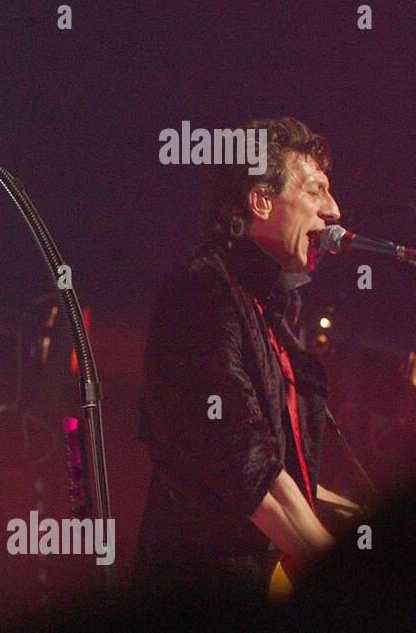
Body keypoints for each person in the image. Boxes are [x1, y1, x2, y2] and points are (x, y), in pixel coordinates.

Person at [135, 117, 362, 596]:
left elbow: (282, 470)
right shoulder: (201, 296)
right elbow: (246, 464)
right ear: (261, 201)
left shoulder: (267, 316)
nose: (334, 210)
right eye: (317, 190)